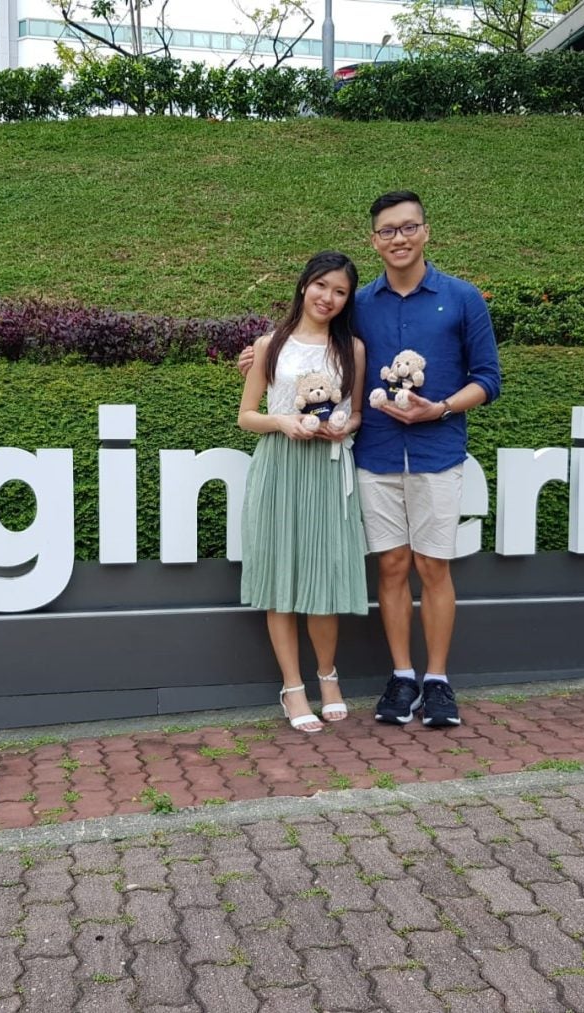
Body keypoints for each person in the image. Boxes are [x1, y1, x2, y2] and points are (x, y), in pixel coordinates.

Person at [239, 192, 500, 728]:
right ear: (374, 240)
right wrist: (256, 355)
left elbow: (489, 379)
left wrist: (441, 408)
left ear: (426, 231)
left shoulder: (463, 298)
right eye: (387, 231)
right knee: (392, 566)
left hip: (437, 449)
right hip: (374, 454)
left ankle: (438, 681)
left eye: (408, 227)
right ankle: (402, 678)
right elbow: (305, 343)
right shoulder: (361, 304)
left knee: (434, 566)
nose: (399, 238)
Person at [238, 251, 368, 734]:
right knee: (280, 577)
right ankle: (292, 686)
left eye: (339, 291)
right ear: (303, 286)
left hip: (328, 470)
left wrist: (343, 426)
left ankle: (328, 677)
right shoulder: (269, 344)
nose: (328, 298)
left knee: (324, 577)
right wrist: (283, 422)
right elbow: (246, 415)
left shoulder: (351, 348)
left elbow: (356, 413)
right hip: (280, 465)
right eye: (321, 286)